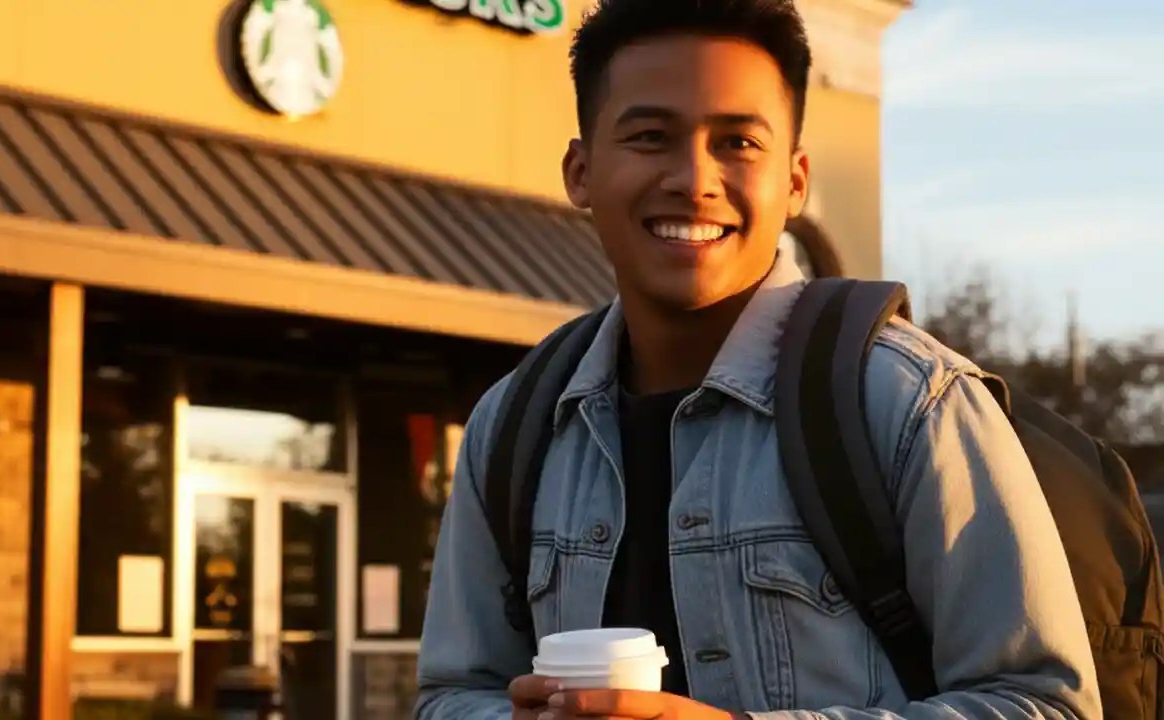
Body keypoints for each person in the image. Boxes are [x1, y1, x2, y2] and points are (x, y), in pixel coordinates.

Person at [414, 0, 1101, 718]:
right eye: (650, 136)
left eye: (738, 143)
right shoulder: (514, 426)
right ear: (581, 171)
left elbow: (1046, 704)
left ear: (796, 180)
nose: (694, 178)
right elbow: (452, 694)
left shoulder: (905, 403)